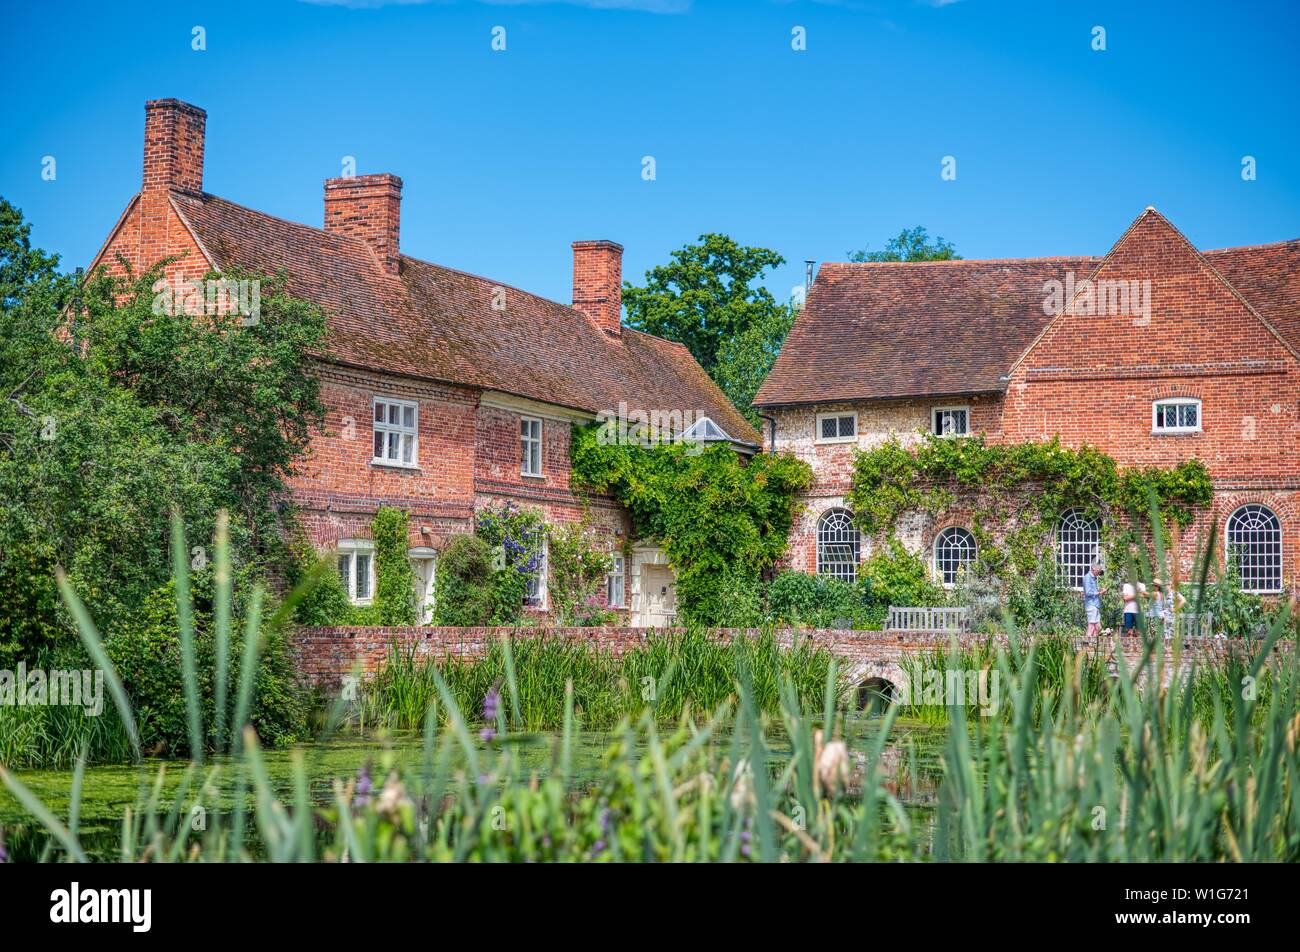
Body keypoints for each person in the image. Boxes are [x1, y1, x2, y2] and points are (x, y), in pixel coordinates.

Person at [1083, 559, 1106, 637]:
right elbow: (1088, 592)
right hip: (1091, 604)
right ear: (1093, 569)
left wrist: (1099, 591)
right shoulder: (1087, 578)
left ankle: (1095, 644)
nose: (1099, 573)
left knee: (1097, 627)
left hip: (1095, 604)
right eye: (1098, 571)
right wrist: (1099, 593)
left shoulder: (1093, 578)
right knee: (1092, 625)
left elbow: (1092, 591)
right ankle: (1087, 643)